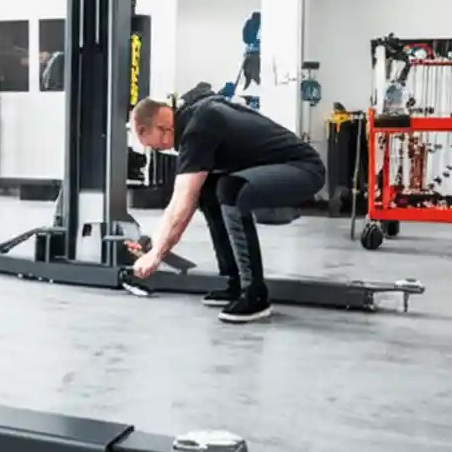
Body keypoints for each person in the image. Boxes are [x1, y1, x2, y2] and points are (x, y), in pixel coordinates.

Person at [130, 85, 326, 323]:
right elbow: (184, 199)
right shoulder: (193, 117)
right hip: (281, 168)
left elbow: (180, 204)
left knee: (230, 190)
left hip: (304, 169)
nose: (153, 150)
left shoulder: (197, 129)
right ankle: (234, 283)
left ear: (157, 129)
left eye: (149, 144)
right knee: (210, 190)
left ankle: (255, 295)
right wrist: (153, 245)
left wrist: (156, 255)